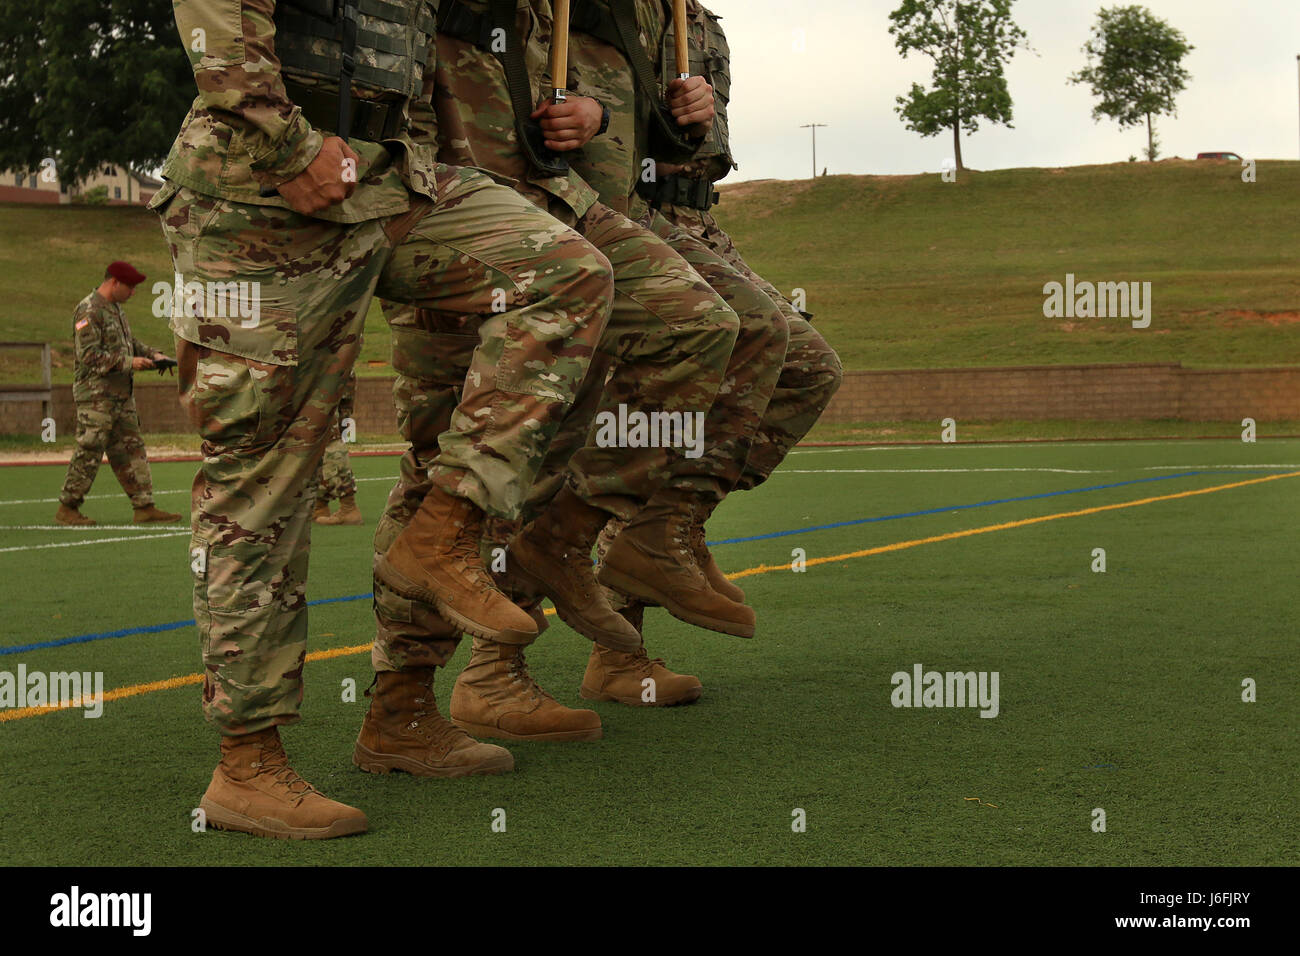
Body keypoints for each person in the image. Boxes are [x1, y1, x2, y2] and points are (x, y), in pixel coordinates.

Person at [152, 0, 614, 840]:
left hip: (395, 176)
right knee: (262, 476)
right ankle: (247, 765)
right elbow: (218, 17)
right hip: (262, 191)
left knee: (564, 273)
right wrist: (289, 148)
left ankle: (436, 559)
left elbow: (417, 51)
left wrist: (444, 164)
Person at [357, 0, 735, 762]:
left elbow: (568, 72)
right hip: (438, 201)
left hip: (548, 204)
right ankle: (403, 706)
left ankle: (561, 540)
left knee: (694, 322)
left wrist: (590, 112)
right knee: (444, 465)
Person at [55, 261, 181, 527]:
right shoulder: (88, 310)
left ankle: (144, 507)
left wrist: (152, 355)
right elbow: (88, 356)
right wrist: (129, 362)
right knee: (89, 449)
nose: (133, 292)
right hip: (96, 397)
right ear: (114, 282)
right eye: (131, 287)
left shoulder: (115, 310)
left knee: (132, 448)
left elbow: (129, 343)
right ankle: (68, 507)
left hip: (120, 396)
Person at [313, 371, 362, 526]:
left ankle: (348, 508)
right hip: (321, 368)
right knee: (315, 440)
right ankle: (319, 504)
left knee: (329, 440)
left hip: (325, 370)